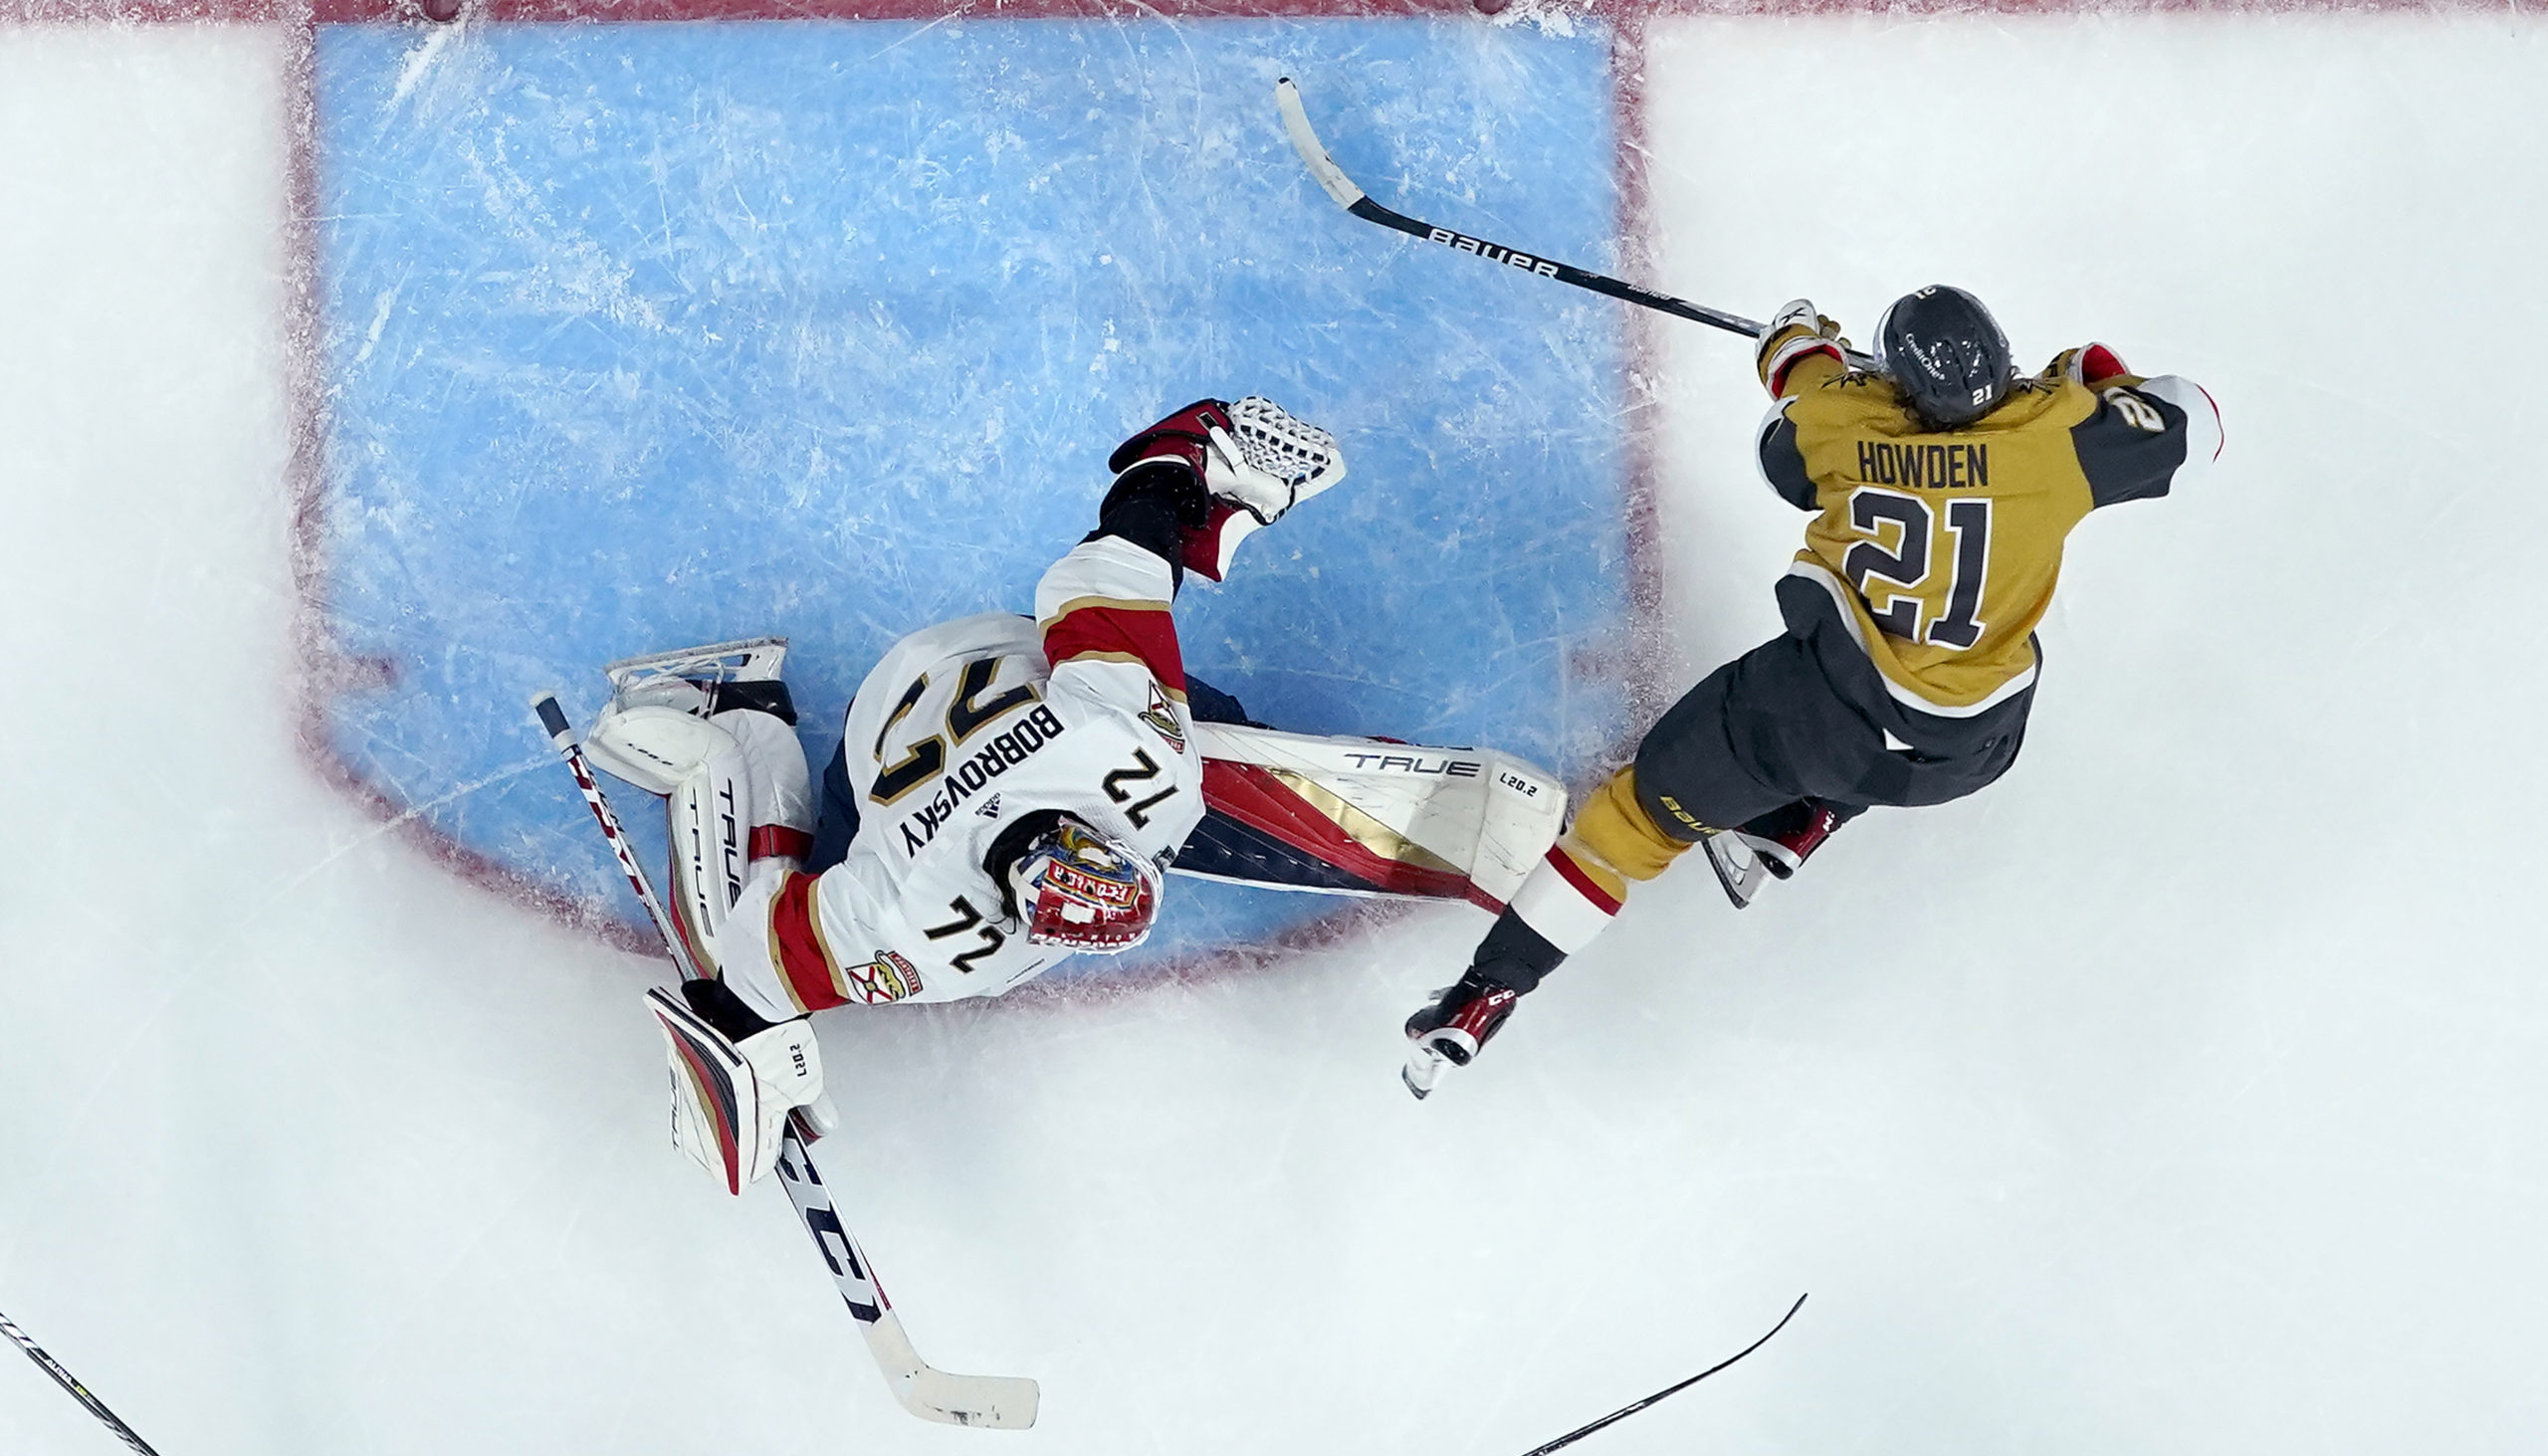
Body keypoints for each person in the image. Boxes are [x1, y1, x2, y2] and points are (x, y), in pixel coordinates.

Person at [1400, 287, 2223, 1098]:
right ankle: (1805, 818)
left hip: (1812, 726)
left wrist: (1803, 339)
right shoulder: (2060, 439)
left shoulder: (1842, 419)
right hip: (1967, 751)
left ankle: (1486, 995)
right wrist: (2092, 374)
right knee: (1971, 654)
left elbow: (1783, 422)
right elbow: (2198, 417)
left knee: (1633, 823)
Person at [586, 395, 1345, 1190]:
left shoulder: (1117, 752)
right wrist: (754, 1038)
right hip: (879, 744)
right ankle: (739, 729)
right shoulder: (913, 909)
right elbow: (750, 958)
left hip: (971, 671)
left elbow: (1116, 556)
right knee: (739, 921)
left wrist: (1179, 470)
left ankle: (740, 729)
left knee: (1150, 677)